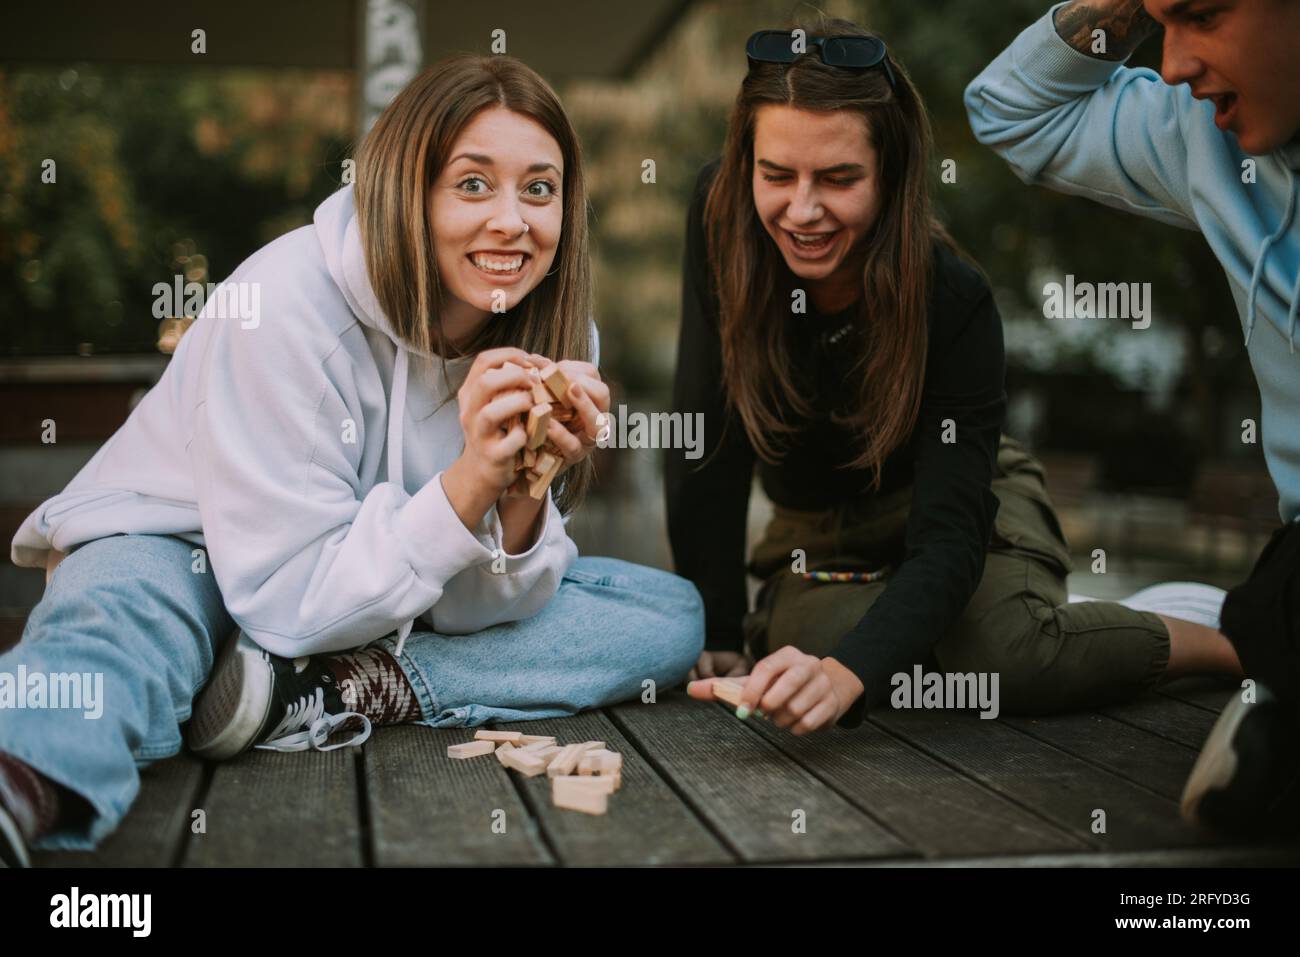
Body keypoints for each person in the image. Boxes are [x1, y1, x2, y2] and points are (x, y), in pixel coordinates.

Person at [0, 54, 703, 867]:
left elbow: (485, 606)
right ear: (408, 191)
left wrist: (518, 493)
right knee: (115, 625)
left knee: (666, 613)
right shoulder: (283, 305)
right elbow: (286, 598)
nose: (513, 221)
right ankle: (25, 779)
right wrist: (469, 479)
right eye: (473, 184)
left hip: (376, 597)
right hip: (180, 551)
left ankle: (325, 691)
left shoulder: (557, 339)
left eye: (539, 189)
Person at [667, 15, 1241, 738]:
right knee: (816, 651)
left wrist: (850, 676)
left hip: (965, 503)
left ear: (893, 174)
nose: (802, 209)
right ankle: (1005, 632)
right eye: (776, 174)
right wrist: (716, 620)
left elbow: (947, 542)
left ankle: (1222, 636)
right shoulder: (718, 215)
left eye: (839, 178)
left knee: (1009, 653)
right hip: (822, 538)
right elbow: (705, 430)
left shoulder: (953, 298)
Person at [966, 0, 1299, 835]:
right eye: (1161, 21)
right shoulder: (1204, 138)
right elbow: (1009, 107)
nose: (1176, 60)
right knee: (1251, 607)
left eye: (1202, 15)